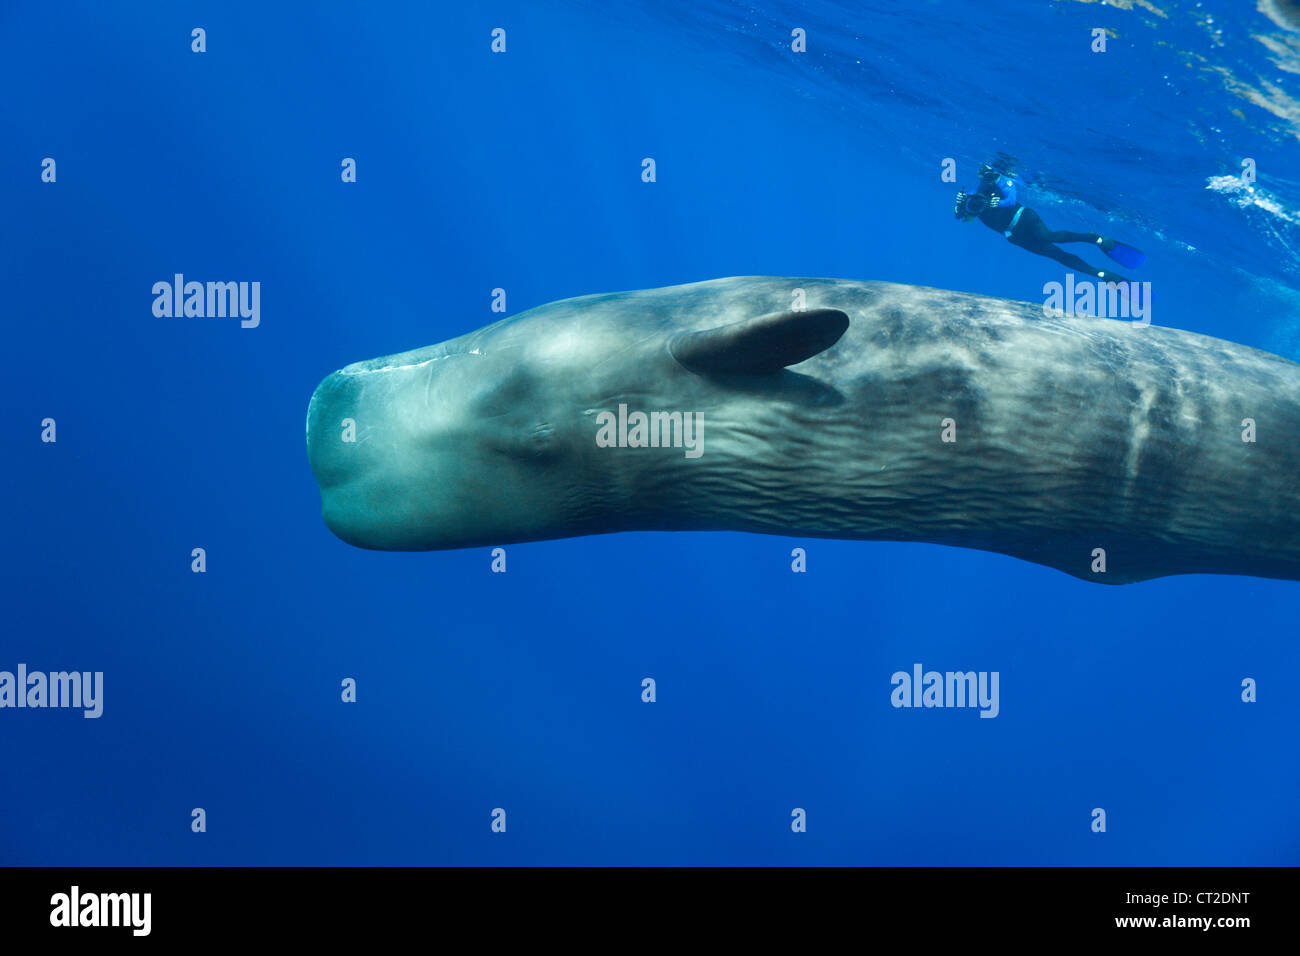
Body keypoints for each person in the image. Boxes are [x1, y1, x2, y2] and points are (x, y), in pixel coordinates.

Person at [954, 164, 1145, 284]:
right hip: (1015, 236)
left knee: (1048, 236)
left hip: (1024, 217)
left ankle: (1094, 238)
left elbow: (1011, 201)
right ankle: (1100, 274)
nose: (988, 180)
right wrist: (958, 206)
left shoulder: (1004, 183)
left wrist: (997, 203)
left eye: (991, 176)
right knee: (1057, 256)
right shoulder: (973, 195)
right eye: (984, 177)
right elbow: (959, 215)